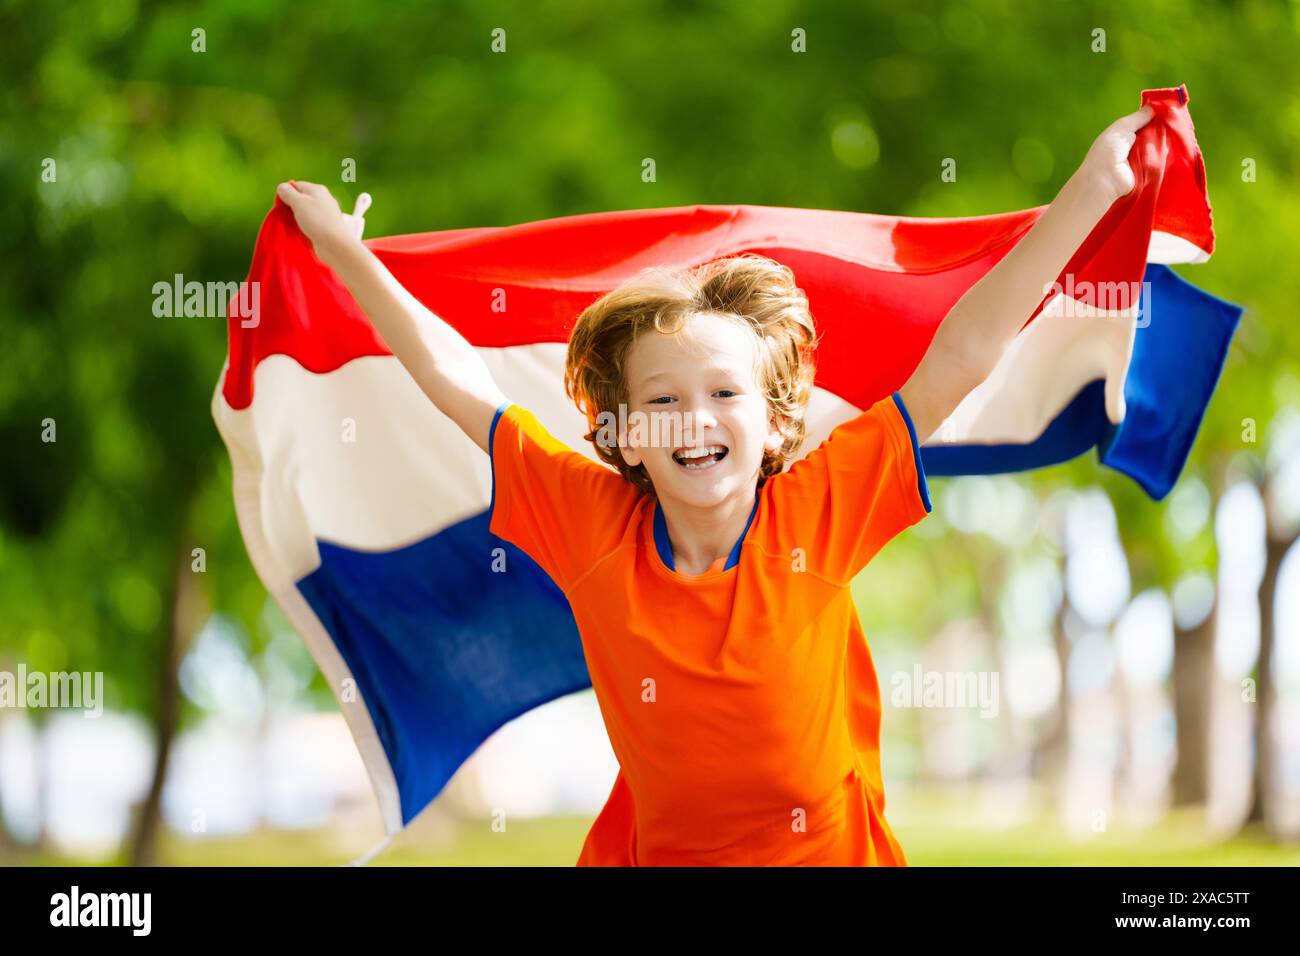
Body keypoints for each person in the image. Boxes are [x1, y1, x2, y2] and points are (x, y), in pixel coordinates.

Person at [274, 103, 1152, 865]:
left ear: (776, 422)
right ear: (622, 434)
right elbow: (457, 380)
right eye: (663, 400)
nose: (695, 420)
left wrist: (1092, 190)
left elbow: (961, 355)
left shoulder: (822, 503)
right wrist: (347, 253)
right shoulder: (587, 520)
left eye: (724, 395)